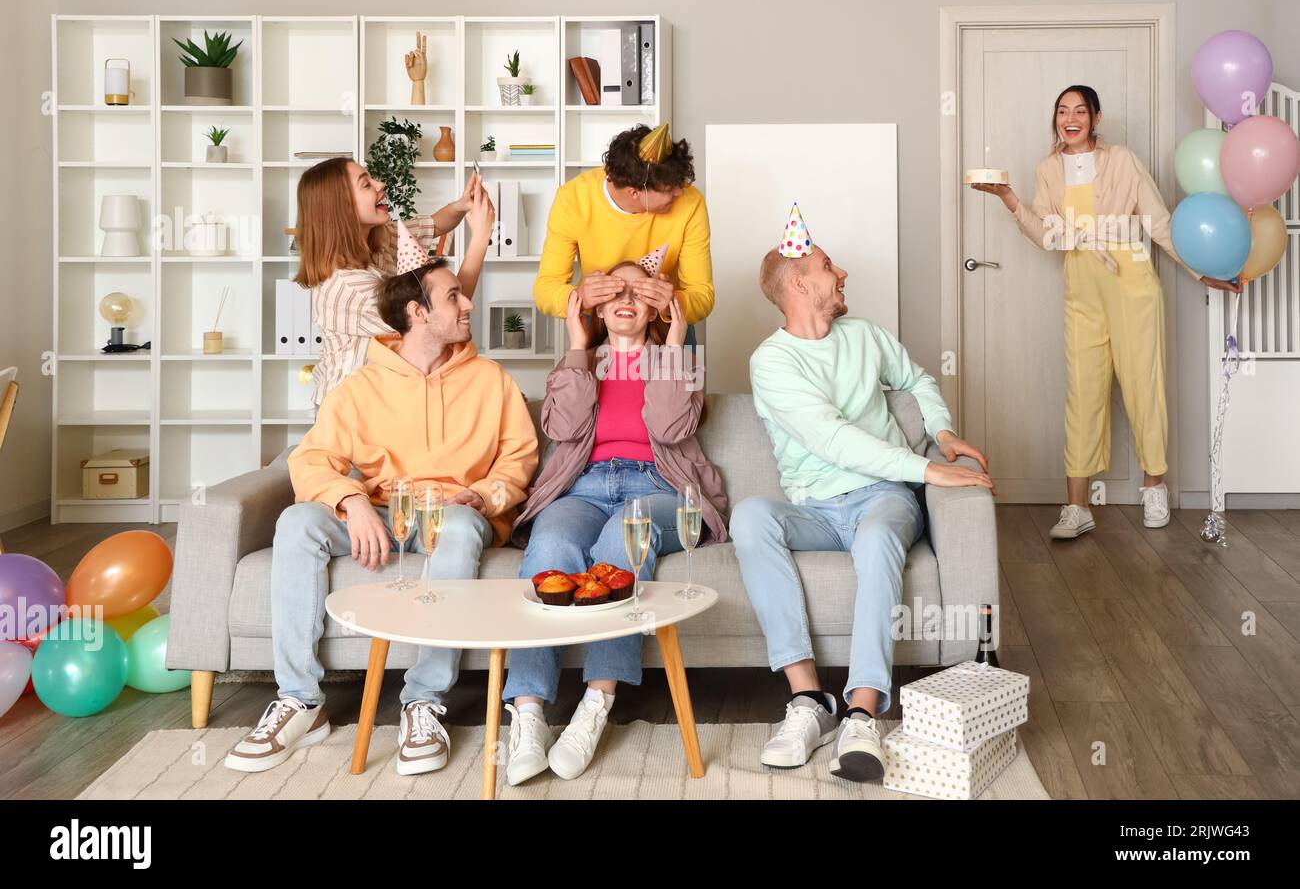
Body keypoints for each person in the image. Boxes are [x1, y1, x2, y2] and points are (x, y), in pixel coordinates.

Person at [224, 236, 538, 777]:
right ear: (418, 313)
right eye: (454, 298)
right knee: (298, 521)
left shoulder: (492, 380)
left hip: (451, 513)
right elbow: (311, 460)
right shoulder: (360, 386)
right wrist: (351, 498)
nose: (468, 306)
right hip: (378, 512)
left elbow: (520, 460)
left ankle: (424, 701)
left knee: (462, 527)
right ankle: (301, 701)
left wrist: (483, 494)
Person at [731, 204, 993, 783]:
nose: (842, 273)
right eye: (829, 265)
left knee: (877, 540)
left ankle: (861, 711)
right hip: (815, 510)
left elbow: (917, 380)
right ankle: (808, 702)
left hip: (882, 499)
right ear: (801, 283)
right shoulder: (770, 362)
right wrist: (927, 471)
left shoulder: (866, 336)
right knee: (749, 517)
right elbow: (833, 440)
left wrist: (942, 432)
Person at [971, 84, 1240, 538]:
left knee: (1143, 384)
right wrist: (1007, 197)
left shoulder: (1123, 161)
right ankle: (1077, 506)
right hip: (1081, 288)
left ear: (1096, 118)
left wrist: (1202, 271)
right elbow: (1046, 235)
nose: (1070, 118)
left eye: (1079, 110)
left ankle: (1153, 485)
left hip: (1132, 282)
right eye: (1062, 111)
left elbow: (1158, 224)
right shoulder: (1048, 170)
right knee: (1083, 393)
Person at [500, 257, 727, 785]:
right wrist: (579, 343)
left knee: (621, 543)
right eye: (613, 289)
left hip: (657, 488)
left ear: (656, 305)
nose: (626, 296)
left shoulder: (680, 360)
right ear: (596, 304)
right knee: (551, 545)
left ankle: (595, 704)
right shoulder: (579, 361)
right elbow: (564, 424)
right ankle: (529, 712)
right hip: (582, 488)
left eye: (639, 289)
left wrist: (674, 342)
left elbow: (671, 428)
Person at [294, 156, 494, 406]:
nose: (380, 185)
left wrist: (463, 205)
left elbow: (435, 224)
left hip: (385, 401)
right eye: (366, 184)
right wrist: (481, 238)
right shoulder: (349, 287)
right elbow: (441, 316)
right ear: (341, 207)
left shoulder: (380, 238)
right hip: (349, 415)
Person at [535, 123, 713, 338]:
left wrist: (671, 303)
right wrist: (580, 296)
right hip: (603, 326)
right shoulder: (573, 199)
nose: (679, 192)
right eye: (669, 189)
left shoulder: (690, 201)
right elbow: (545, 289)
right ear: (635, 192)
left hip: (668, 325)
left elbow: (702, 294)